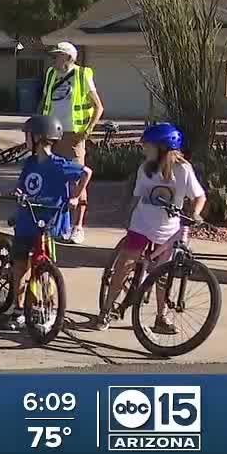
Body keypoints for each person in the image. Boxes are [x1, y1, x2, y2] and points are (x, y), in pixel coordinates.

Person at [94, 123, 205, 334]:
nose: (144, 148)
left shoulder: (183, 170)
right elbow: (138, 197)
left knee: (163, 274)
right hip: (143, 223)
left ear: (163, 147)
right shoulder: (145, 169)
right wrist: (127, 217)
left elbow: (199, 196)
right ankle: (107, 309)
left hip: (169, 228)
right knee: (125, 264)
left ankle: (161, 317)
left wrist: (196, 212)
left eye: (148, 145)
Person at [5, 115, 92, 331]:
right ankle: (18, 307)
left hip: (48, 221)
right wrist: (18, 193)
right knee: (20, 264)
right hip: (27, 219)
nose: (26, 140)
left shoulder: (59, 165)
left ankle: (49, 306)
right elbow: (23, 187)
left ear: (37, 138)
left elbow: (86, 172)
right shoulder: (30, 163)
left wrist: (75, 196)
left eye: (27, 136)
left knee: (45, 265)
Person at [40, 41, 104, 244]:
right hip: (52, 134)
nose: (54, 59)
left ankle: (78, 227)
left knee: (77, 180)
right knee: (53, 177)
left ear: (68, 57)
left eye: (58, 55)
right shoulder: (51, 74)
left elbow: (98, 107)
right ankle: (57, 224)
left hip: (73, 135)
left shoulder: (82, 74)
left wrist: (87, 131)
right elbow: (45, 101)